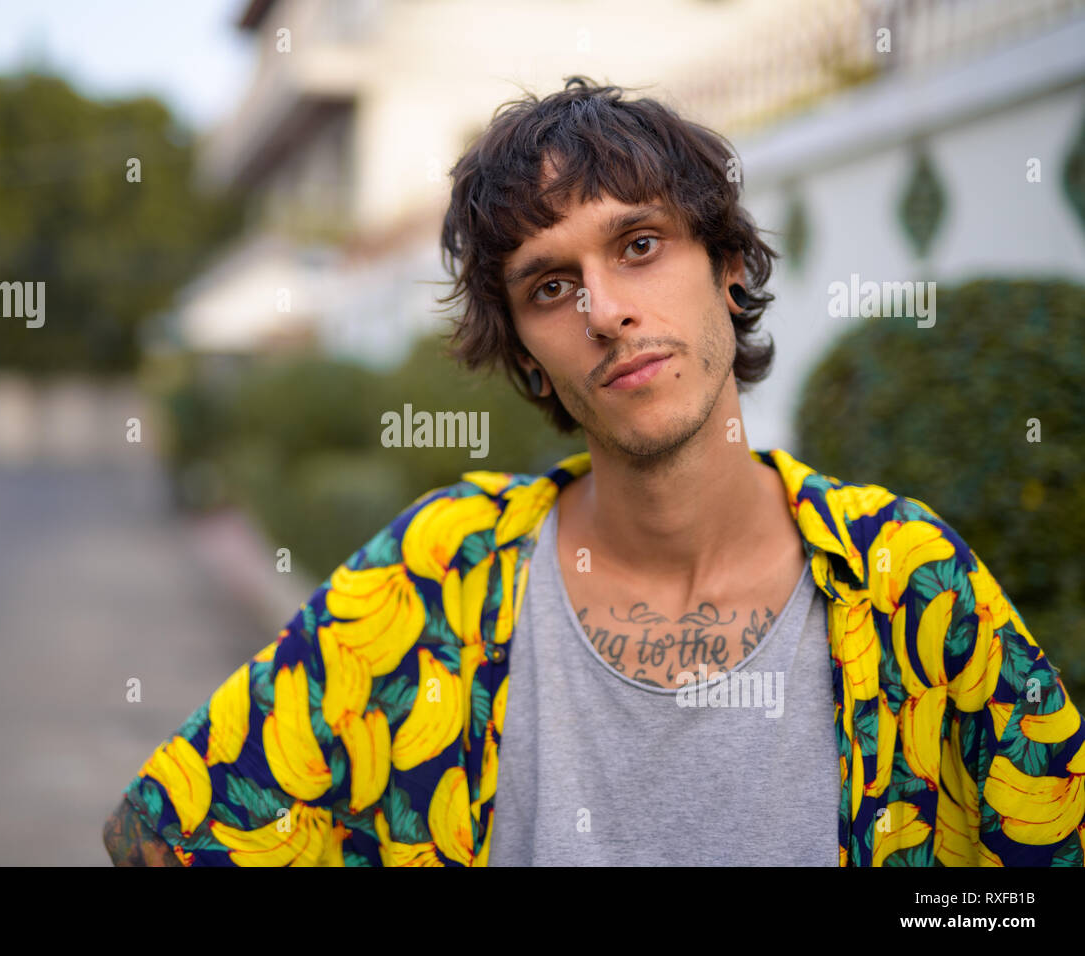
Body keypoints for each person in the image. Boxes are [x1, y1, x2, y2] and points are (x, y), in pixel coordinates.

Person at [103, 77, 1084, 867]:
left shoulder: (905, 581)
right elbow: (168, 829)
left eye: (641, 244)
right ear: (527, 353)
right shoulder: (441, 574)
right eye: (550, 285)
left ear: (728, 265)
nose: (605, 310)